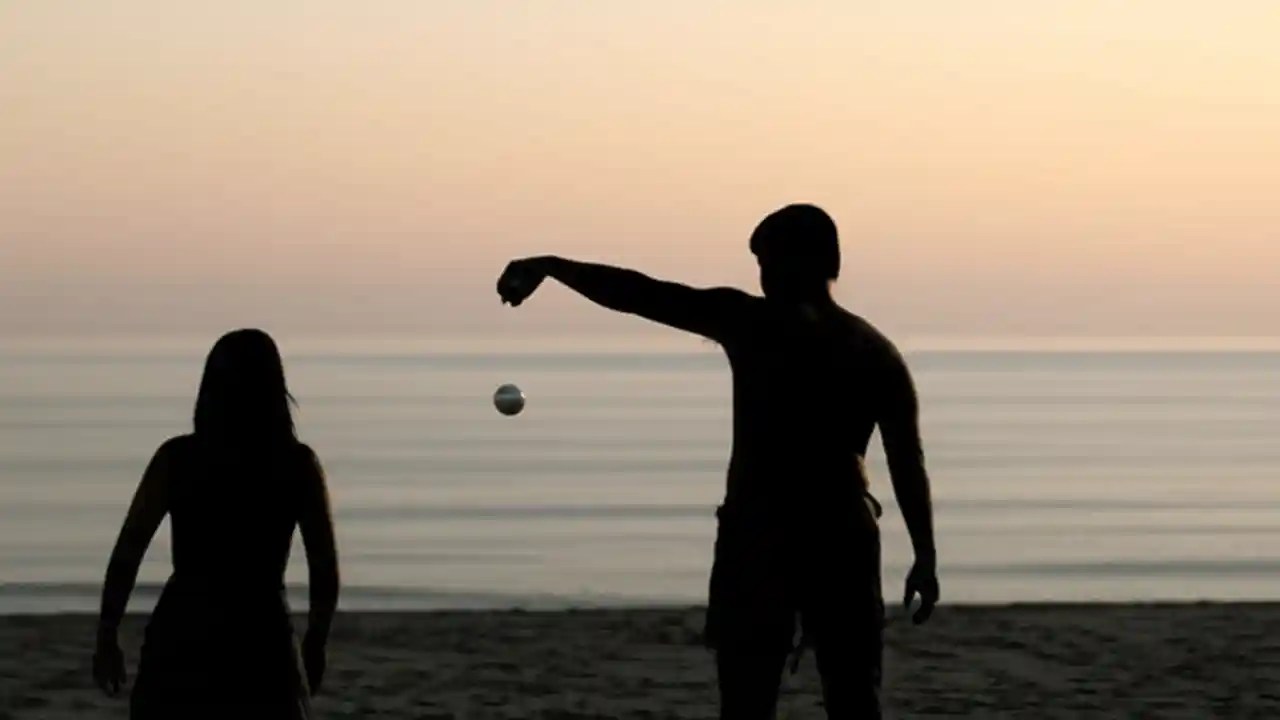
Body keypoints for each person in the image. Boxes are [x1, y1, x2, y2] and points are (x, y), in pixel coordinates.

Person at [496, 204, 939, 719]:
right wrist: (925, 555)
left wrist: (551, 266)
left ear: (809, 260)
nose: (763, 275)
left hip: (764, 529)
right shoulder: (877, 352)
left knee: (752, 694)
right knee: (853, 693)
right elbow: (907, 463)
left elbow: (641, 294)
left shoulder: (752, 322)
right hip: (844, 529)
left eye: (769, 260)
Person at [92, 329, 340, 719]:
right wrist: (316, 640)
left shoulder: (177, 459)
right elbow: (324, 567)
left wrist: (108, 632)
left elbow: (129, 550)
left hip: (185, 628)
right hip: (262, 632)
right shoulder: (296, 466)